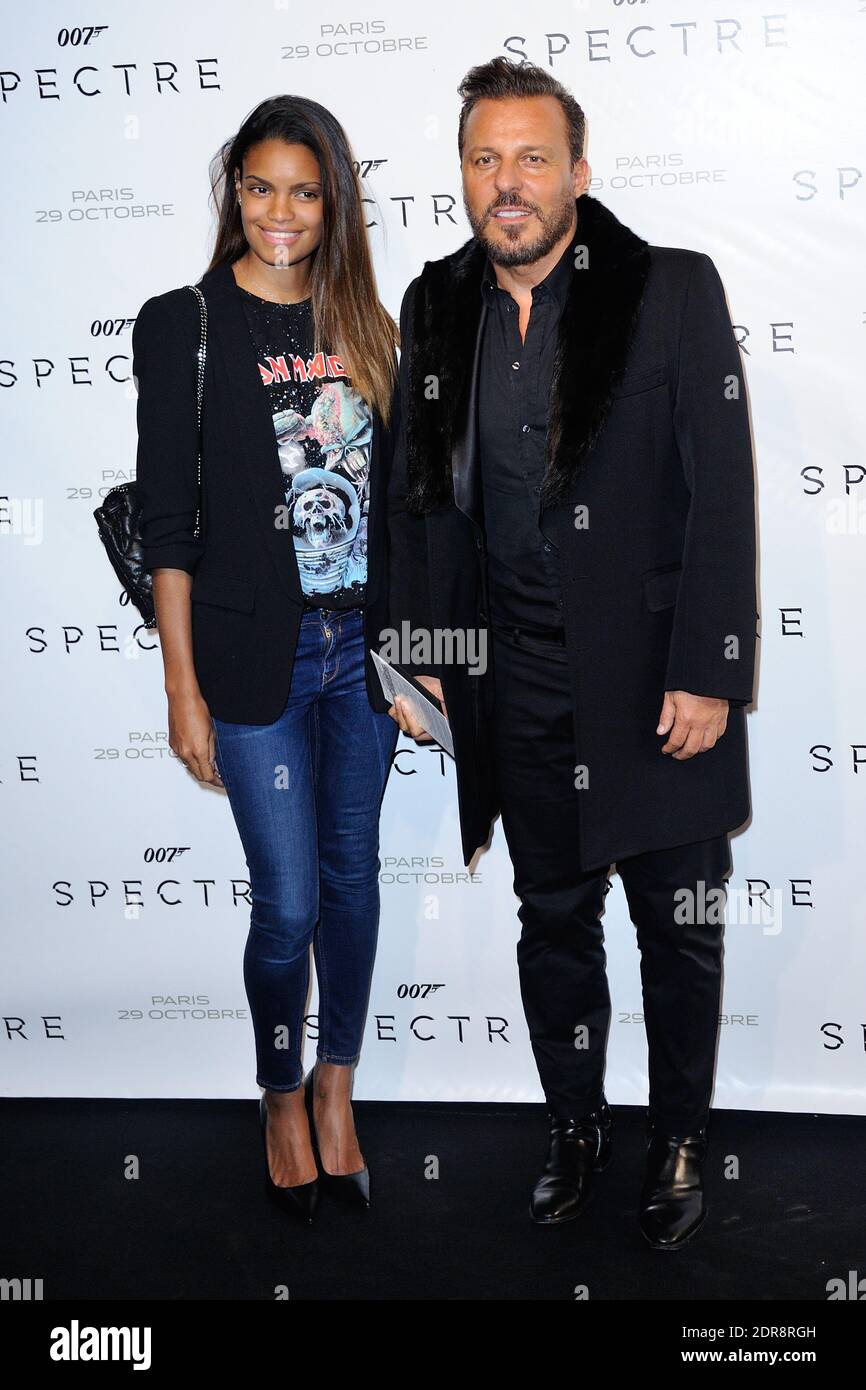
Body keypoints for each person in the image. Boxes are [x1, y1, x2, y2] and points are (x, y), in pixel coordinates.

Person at [387, 57, 757, 1249]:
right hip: (517, 684)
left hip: (656, 683)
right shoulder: (434, 305)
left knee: (676, 926)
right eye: (484, 159)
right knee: (551, 922)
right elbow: (418, 503)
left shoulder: (668, 290)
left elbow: (722, 489)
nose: (507, 183)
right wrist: (422, 655)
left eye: (530, 157)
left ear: (577, 170)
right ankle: (575, 1123)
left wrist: (707, 665)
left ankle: (680, 1133)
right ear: (462, 175)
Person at [132, 95, 400, 1224]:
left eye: (302, 189)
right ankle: (278, 1092)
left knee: (351, 879)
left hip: (361, 658)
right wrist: (180, 686)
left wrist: (420, 660)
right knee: (285, 902)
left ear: (332, 198)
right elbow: (171, 528)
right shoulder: (182, 323)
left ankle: (336, 1086)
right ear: (230, 190)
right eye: (257, 186)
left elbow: (409, 512)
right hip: (252, 663)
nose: (279, 212)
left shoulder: (372, 329)